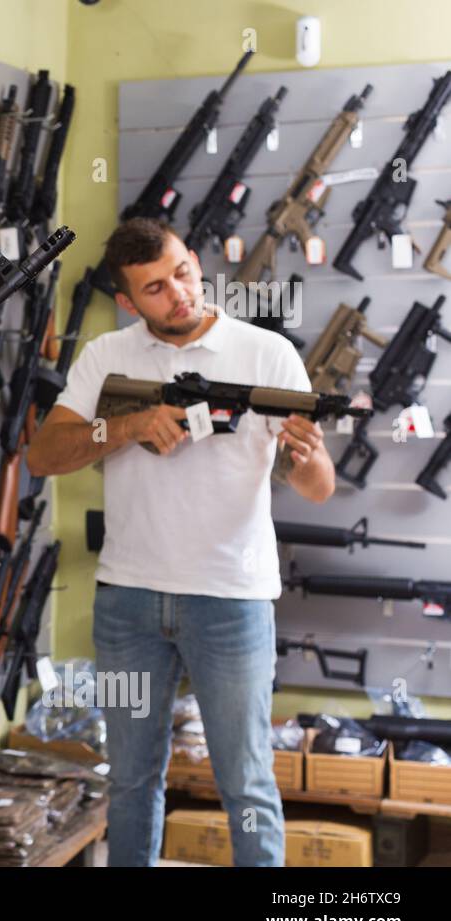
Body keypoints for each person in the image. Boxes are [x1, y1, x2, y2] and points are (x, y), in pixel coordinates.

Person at [26, 218, 335, 866]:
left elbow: (318, 489)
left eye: (184, 273)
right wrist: (128, 427)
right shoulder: (106, 357)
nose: (180, 294)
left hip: (232, 600)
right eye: (156, 288)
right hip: (128, 604)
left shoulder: (267, 353)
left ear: (195, 260)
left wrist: (304, 455)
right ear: (129, 301)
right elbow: (44, 454)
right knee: (131, 781)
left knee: (246, 783)